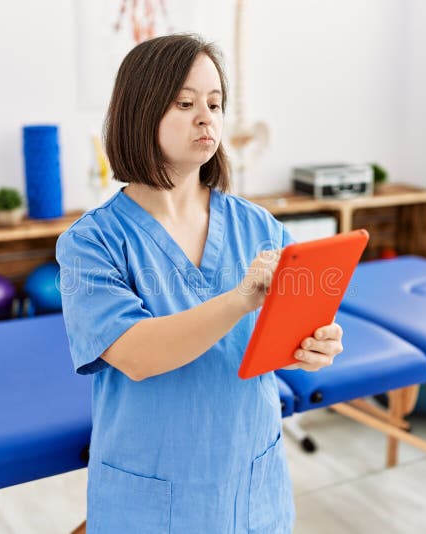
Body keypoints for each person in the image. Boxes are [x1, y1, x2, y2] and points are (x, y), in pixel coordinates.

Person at [56, 34, 344, 534]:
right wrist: (240, 299)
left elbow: (289, 333)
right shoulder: (91, 243)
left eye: (214, 103)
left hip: (251, 483)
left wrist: (314, 343)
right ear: (139, 113)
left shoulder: (262, 228)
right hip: (152, 492)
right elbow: (137, 355)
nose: (206, 116)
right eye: (185, 103)